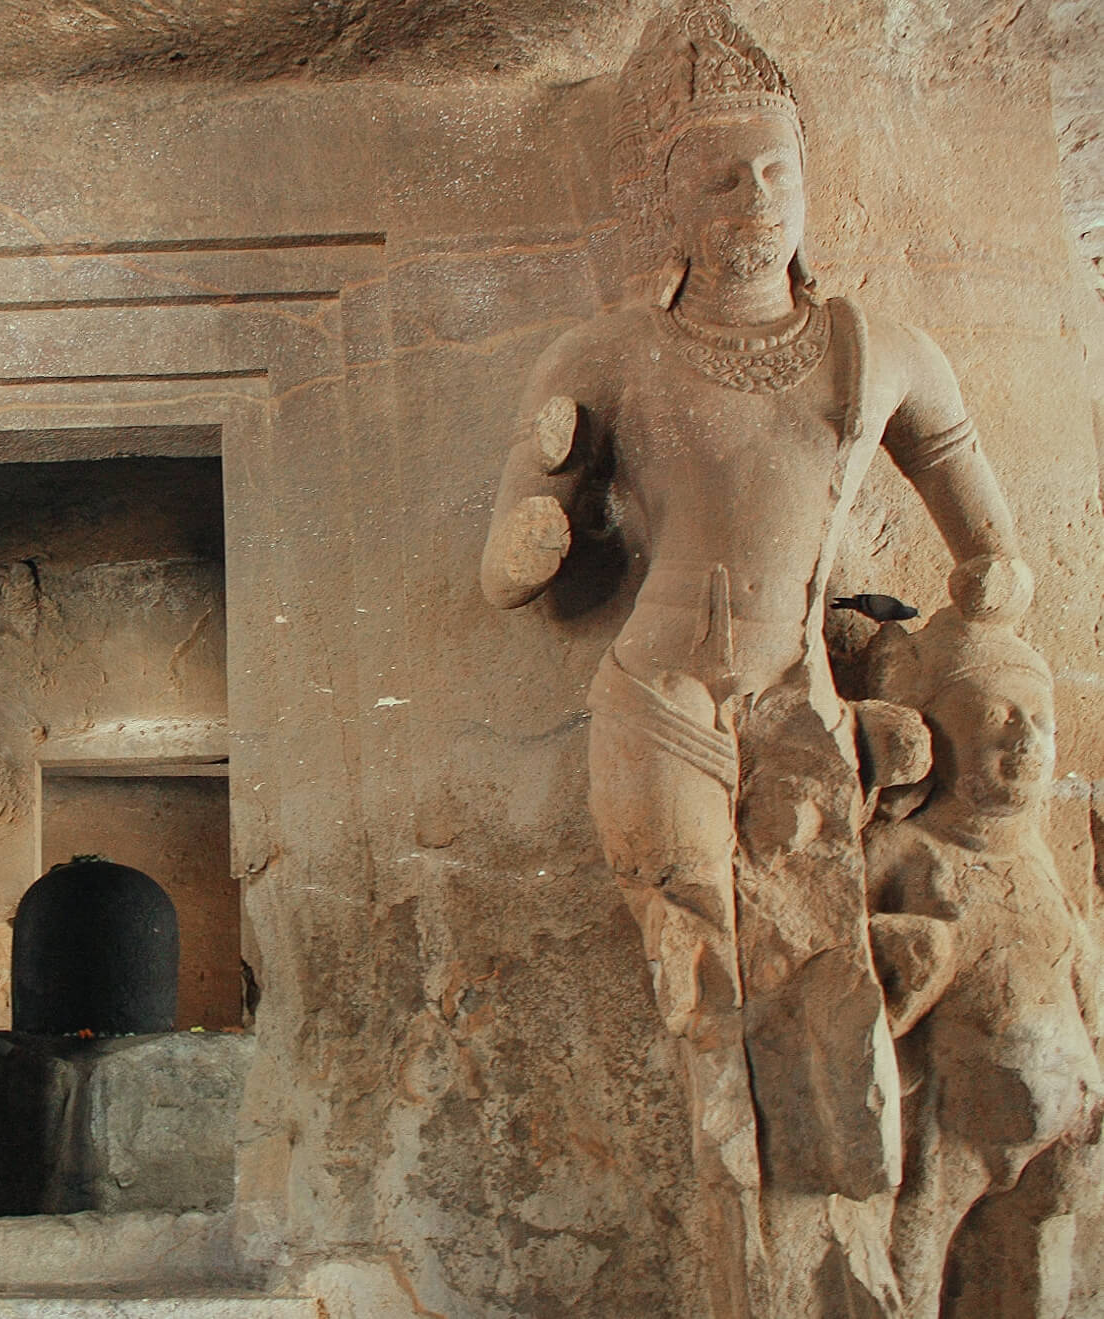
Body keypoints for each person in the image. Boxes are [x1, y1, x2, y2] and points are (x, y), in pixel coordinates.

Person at [481, 3, 1029, 1312]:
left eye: (778, 167)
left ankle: (837, 1269)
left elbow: (979, 514)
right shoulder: (605, 355)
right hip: (657, 694)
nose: (757, 196)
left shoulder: (876, 350)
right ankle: (741, 1262)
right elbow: (504, 568)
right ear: (669, 195)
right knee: (702, 993)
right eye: (722, 174)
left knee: (829, 992)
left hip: (799, 705)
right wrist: (538, 540)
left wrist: (992, 582)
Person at [864, 611, 1104, 1319]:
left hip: (1066, 1124)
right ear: (935, 736)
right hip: (949, 1120)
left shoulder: (1038, 863)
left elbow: (1079, 967)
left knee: (1037, 1275)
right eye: (998, 717)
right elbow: (845, 963)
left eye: (1039, 721)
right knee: (912, 1260)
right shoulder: (911, 852)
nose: (1025, 740)